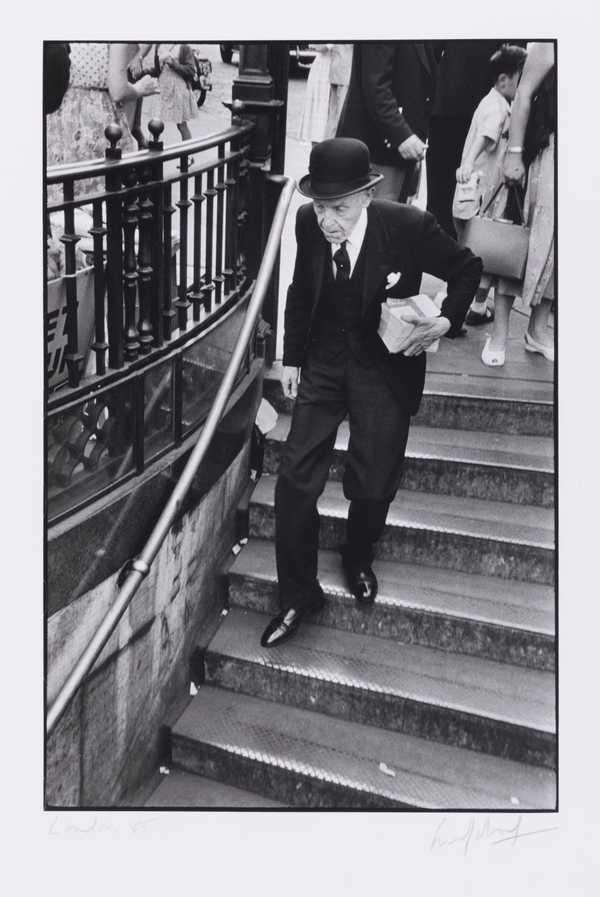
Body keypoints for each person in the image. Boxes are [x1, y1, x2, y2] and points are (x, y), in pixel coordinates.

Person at [260, 138, 482, 648]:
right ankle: (298, 594)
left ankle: (358, 555)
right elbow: (300, 289)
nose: (327, 220)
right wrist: (292, 357)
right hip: (324, 360)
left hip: (384, 365)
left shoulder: (407, 226)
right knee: (294, 479)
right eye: (320, 207)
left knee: (374, 477)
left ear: (367, 195)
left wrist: (446, 319)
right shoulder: (308, 223)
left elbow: (466, 267)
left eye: (338, 209)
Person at [483, 42, 555, 365]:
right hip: (546, 151)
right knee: (522, 241)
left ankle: (538, 331)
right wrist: (514, 154)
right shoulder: (551, 39)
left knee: (559, 250)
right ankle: (499, 334)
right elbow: (523, 95)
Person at [453, 44, 527, 330]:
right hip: (479, 194)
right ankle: (458, 311)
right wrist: (468, 163)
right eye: (522, 79)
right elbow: (485, 136)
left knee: (480, 254)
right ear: (504, 80)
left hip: (476, 192)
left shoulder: (495, 102)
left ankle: (476, 307)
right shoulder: (496, 108)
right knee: (476, 255)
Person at [46, 43, 158, 200]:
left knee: (63, 194)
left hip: (61, 118)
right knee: (103, 193)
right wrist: (140, 88)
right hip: (97, 118)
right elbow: (118, 90)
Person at [336, 42, 437, 203]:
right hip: (377, 148)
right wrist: (401, 135)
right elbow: (376, 87)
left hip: (401, 147)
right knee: (375, 214)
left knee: (392, 213)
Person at [135, 43, 198, 142]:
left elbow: (191, 70)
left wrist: (173, 64)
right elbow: (157, 70)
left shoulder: (183, 46)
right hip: (163, 88)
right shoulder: (159, 45)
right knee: (155, 122)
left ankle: (188, 150)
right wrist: (143, 73)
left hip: (178, 89)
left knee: (181, 124)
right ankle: (154, 148)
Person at [298, 44, 333, 145]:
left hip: (329, 68)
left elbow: (322, 47)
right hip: (321, 68)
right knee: (317, 111)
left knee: (324, 110)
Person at [325, 44, 353, 139]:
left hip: (335, 71)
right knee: (342, 116)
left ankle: (329, 143)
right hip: (346, 72)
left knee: (332, 116)